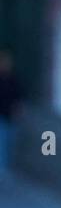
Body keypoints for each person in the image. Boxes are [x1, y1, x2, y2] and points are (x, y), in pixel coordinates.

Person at [0, 48, 23, 176]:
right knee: (2, 141)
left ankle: (7, 165)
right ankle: (3, 167)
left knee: (10, 141)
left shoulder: (14, 78)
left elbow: (18, 96)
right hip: (1, 115)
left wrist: (18, 110)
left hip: (10, 114)